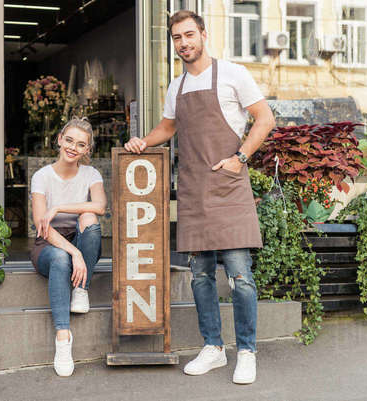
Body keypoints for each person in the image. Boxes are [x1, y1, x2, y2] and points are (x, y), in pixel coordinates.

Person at [124, 10, 276, 385]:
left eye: (189, 35)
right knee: (200, 276)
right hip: (193, 189)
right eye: (177, 38)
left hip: (229, 186)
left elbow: (265, 118)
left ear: (203, 35)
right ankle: (213, 348)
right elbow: (168, 127)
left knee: (240, 276)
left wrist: (240, 159)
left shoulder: (233, 73)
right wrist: (143, 141)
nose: (183, 43)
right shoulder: (176, 87)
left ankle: (246, 351)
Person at [30, 117, 107, 377]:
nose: (74, 147)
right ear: (60, 139)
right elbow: (43, 226)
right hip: (49, 244)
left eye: (81, 144)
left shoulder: (91, 174)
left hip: (80, 237)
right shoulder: (41, 176)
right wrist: (75, 253)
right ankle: (63, 338)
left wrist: (60, 207)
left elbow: (100, 207)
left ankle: (81, 289)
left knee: (89, 218)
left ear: (87, 150)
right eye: (70, 140)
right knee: (62, 259)